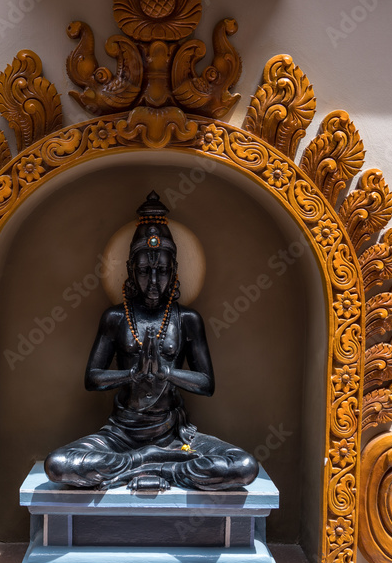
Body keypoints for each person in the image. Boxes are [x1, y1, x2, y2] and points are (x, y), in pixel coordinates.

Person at [43, 191, 259, 491]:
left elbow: (207, 383)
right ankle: (151, 461)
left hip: (176, 436)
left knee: (244, 466)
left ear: (174, 272)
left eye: (162, 272)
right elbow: (92, 378)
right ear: (131, 270)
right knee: (58, 464)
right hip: (120, 434)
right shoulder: (116, 318)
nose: (154, 282)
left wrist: (166, 372)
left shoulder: (187, 320)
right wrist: (131, 374)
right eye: (145, 271)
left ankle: (147, 463)